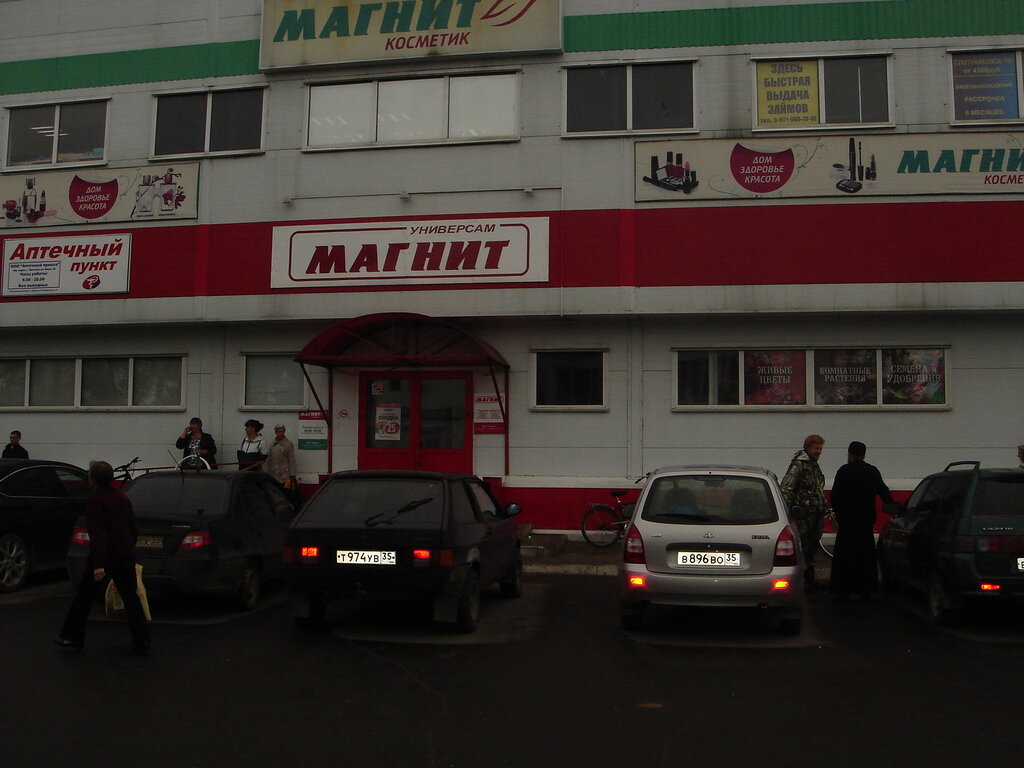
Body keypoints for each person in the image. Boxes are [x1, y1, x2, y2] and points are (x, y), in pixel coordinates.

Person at [55, 461, 150, 653]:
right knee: (131, 598)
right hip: (124, 555)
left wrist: (98, 563)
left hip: (104, 556)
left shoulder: (96, 501)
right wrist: (128, 547)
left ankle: (72, 636)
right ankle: (142, 641)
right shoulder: (122, 498)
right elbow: (132, 527)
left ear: (94, 480)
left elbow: (98, 534)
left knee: (84, 597)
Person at [829, 441, 893, 600]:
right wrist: (893, 506)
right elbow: (884, 493)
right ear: (864, 455)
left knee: (844, 557)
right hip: (865, 522)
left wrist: (840, 514)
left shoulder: (843, 471)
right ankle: (865, 591)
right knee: (865, 558)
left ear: (849, 454)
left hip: (847, 522)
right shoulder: (872, 471)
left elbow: (835, 496)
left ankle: (842, 590)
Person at [781, 434, 830, 589]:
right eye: (817, 448)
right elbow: (786, 488)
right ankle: (803, 580)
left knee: (812, 548)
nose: (819, 452)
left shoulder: (814, 465)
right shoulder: (799, 465)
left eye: (821, 449)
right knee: (804, 547)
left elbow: (816, 488)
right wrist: (790, 510)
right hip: (804, 515)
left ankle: (810, 578)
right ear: (808, 448)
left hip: (816, 513)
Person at [266, 424, 297, 491]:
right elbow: (269, 461)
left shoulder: (289, 444)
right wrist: (268, 474)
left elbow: (292, 460)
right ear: (276, 432)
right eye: (279, 432)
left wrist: (292, 475)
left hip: (285, 476)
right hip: (274, 476)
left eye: (282, 431)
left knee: (287, 493)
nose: (280, 433)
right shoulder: (272, 445)